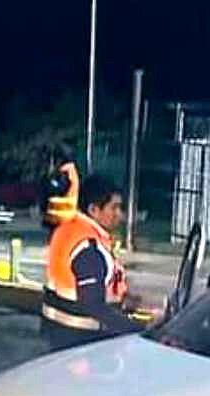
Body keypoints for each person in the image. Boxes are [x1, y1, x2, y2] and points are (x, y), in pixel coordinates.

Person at [40, 174, 141, 350]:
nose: (120, 215)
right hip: (82, 340)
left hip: (56, 333)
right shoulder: (88, 246)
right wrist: (137, 330)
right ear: (93, 210)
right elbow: (93, 305)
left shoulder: (68, 229)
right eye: (114, 208)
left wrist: (122, 300)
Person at [43, 146, 80, 233]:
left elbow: (59, 189)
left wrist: (49, 180)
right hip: (63, 216)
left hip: (61, 216)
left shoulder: (65, 172)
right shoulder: (71, 171)